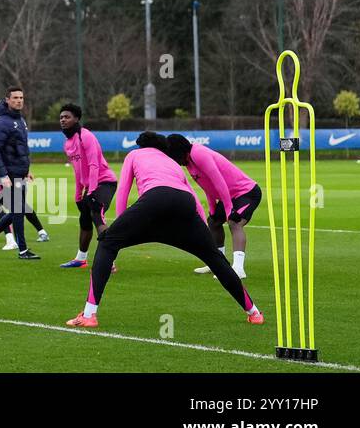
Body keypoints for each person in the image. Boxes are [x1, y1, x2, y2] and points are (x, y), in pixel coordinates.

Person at [64, 131, 264, 329]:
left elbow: (124, 191)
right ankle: (254, 312)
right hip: (183, 206)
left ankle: (89, 315)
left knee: (107, 244)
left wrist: (117, 228)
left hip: (153, 203)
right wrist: (203, 233)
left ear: (141, 145)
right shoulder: (172, 162)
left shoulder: (134, 155)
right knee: (216, 260)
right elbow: (193, 197)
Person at [164, 133, 262, 279]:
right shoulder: (189, 162)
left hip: (246, 192)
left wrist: (229, 209)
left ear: (179, 151)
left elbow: (219, 180)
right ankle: (218, 264)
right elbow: (207, 186)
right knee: (213, 222)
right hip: (230, 195)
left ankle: (238, 269)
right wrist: (212, 208)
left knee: (234, 222)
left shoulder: (198, 154)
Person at [0, 87, 42, 260]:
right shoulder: (2, 122)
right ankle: (22, 251)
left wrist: (27, 170)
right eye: (15, 97)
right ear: (7, 99)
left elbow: (21, 149)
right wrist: (2, 175)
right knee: (19, 210)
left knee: (17, 211)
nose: (19, 100)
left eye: (21, 97)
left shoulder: (20, 120)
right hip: (10, 175)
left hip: (20, 173)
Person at [57, 103, 117, 269]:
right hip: (90, 185)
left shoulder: (86, 136)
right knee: (84, 218)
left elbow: (94, 165)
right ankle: (81, 259)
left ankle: (109, 261)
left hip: (105, 182)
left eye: (67, 117)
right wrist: (78, 194)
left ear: (76, 119)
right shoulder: (68, 143)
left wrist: (90, 192)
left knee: (97, 214)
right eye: (61, 117)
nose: (63, 120)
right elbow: (78, 171)